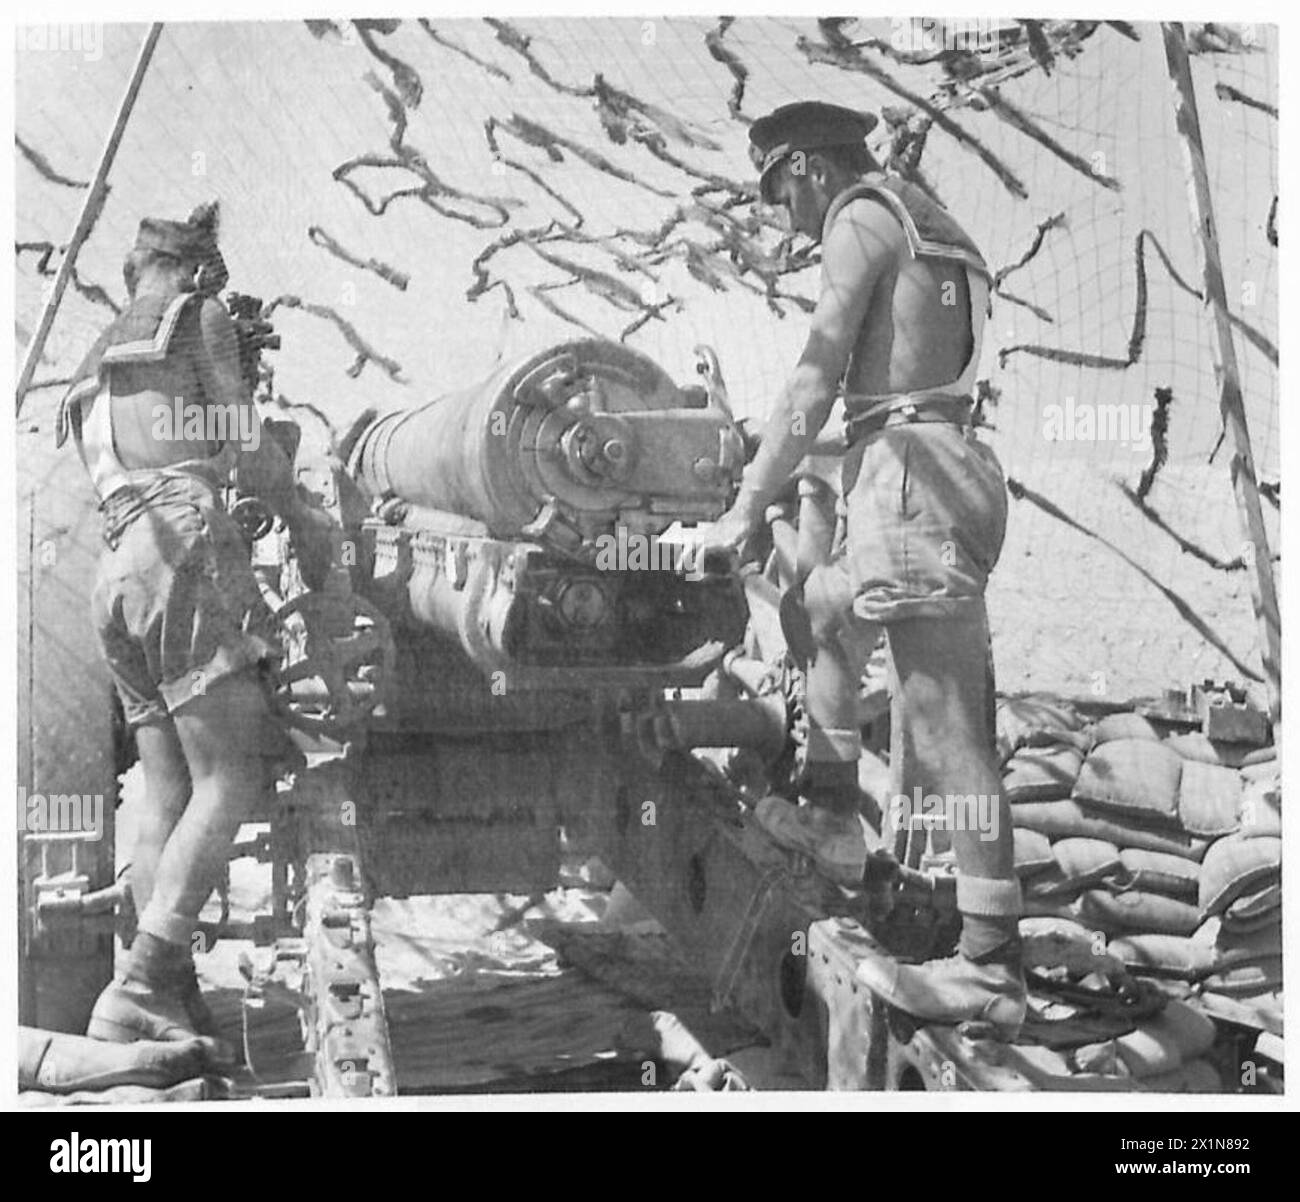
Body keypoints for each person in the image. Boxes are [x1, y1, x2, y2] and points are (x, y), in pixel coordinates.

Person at [705, 102, 1024, 1034]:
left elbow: (814, 378)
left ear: (804, 166)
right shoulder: (922, 214)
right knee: (818, 606)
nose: (783, 219)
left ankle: (992, 965)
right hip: (943, 462)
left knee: (947, 726)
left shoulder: (857, 216)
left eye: (777, 194)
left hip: (913, 478)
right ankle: (836, 813)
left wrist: (745, 506)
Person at [56, 202, 332, 1043]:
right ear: (199, 270)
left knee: (167, 789)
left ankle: (165, 991)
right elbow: (244, 446)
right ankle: (140, 983)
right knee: (235, 773)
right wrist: (310, 519)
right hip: (178, 546)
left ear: (134, 271)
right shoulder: (196, 316)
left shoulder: (94, 361)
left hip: (114, 571)